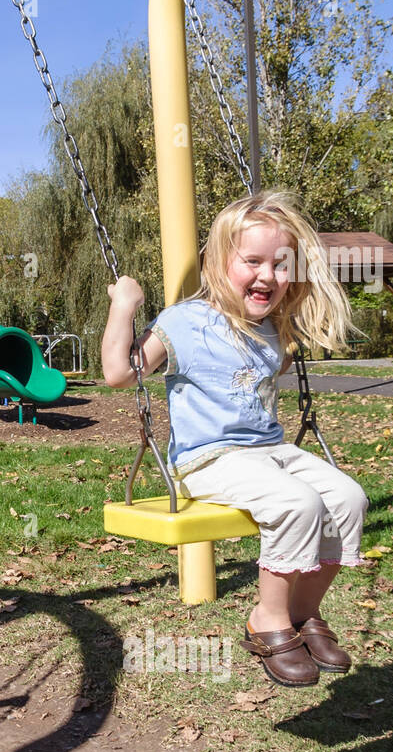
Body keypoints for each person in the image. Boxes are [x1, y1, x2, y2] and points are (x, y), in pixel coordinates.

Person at [101, 191, 367, 687]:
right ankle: (268, 619)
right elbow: (120, 372)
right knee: (298, 503)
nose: (267, 275)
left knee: (349, 498)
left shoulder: (272, 327)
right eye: (252, 261)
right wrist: (125, 305)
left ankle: (303, 614)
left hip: (271, 451)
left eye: (281, 264)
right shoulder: (182, 321)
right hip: (208, 458)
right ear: (217, 263)